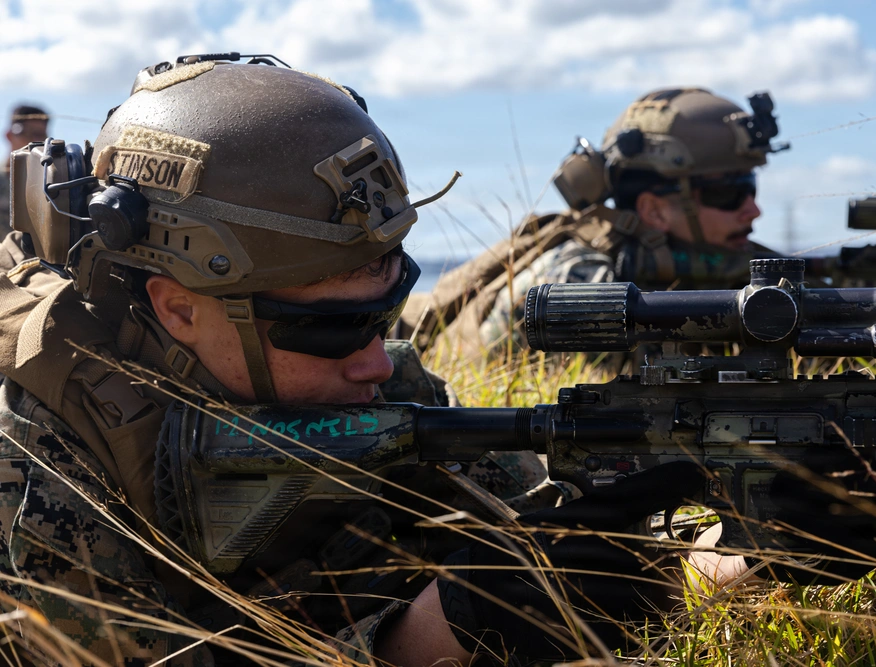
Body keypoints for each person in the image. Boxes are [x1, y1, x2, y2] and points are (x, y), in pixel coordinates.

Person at [0, 56, 715, 666]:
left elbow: (545, 537)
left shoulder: (367, 385)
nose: (377, 362)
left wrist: (717, 565)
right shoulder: (38, 445)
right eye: (331, 329)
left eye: (383, 314)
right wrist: (412, 643)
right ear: (180, 308)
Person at [403, 88, 789, 358]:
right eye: (729, 193)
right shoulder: (578, 282)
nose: (753, 210)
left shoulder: (718, 266)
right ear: (654, 210)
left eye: (752, 187)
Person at [0, 104, 49, 235]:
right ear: (9, 135)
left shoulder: (49, 183)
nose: (33, 142)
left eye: (40, 135)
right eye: (26, 133)